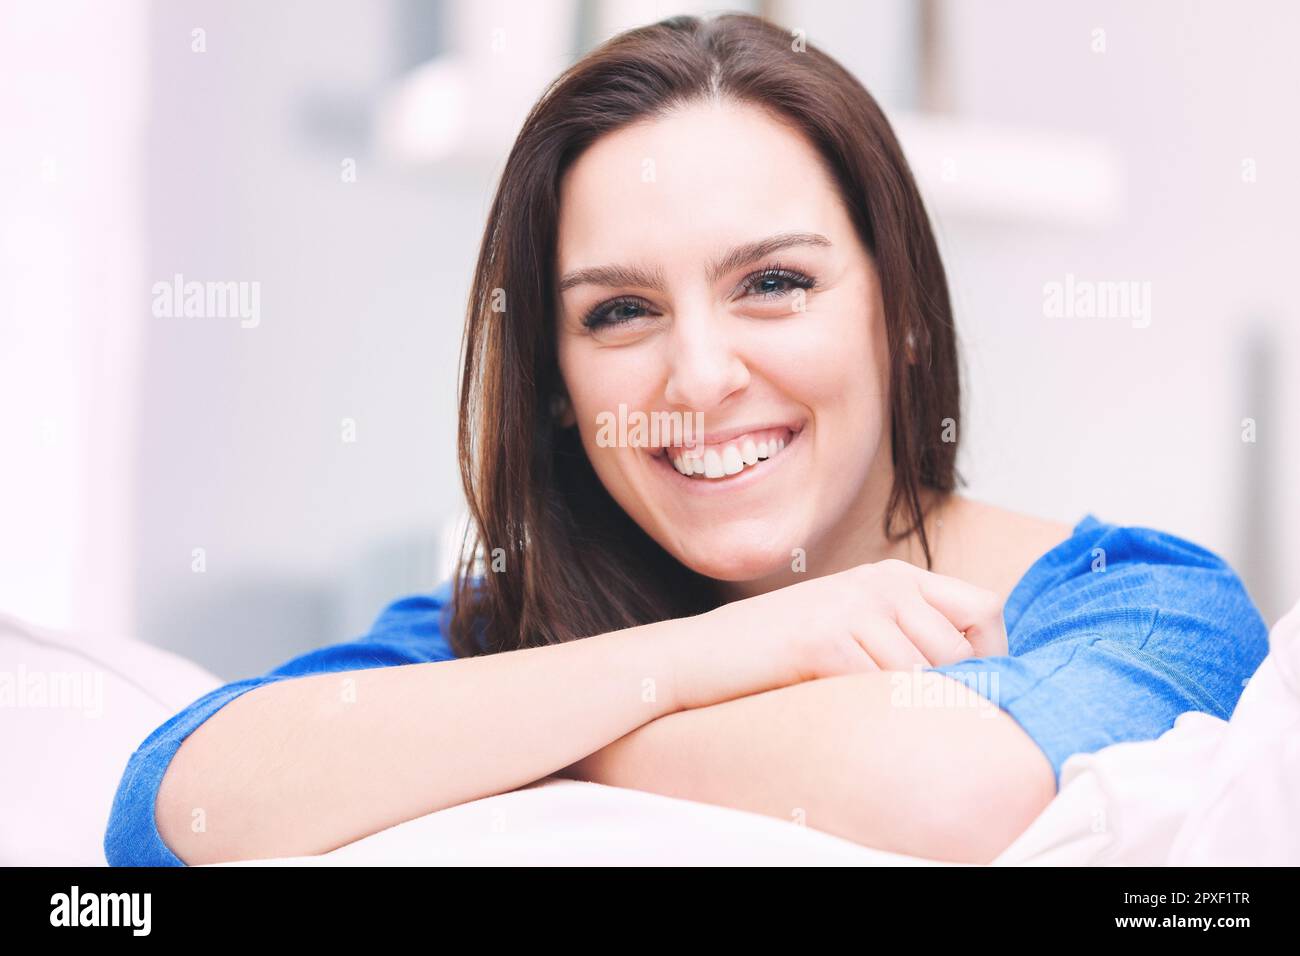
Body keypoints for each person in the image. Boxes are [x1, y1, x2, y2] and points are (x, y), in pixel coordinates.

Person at [104, 13, 1268, 867]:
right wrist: (708, 653)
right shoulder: (527, 618)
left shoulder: (1145, 599)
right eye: (619, 310)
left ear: (899, 313)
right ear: (556, 381)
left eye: (771, 281)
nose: (700, 376)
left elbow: (967, 793)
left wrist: (546, 732)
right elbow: (168, 806)